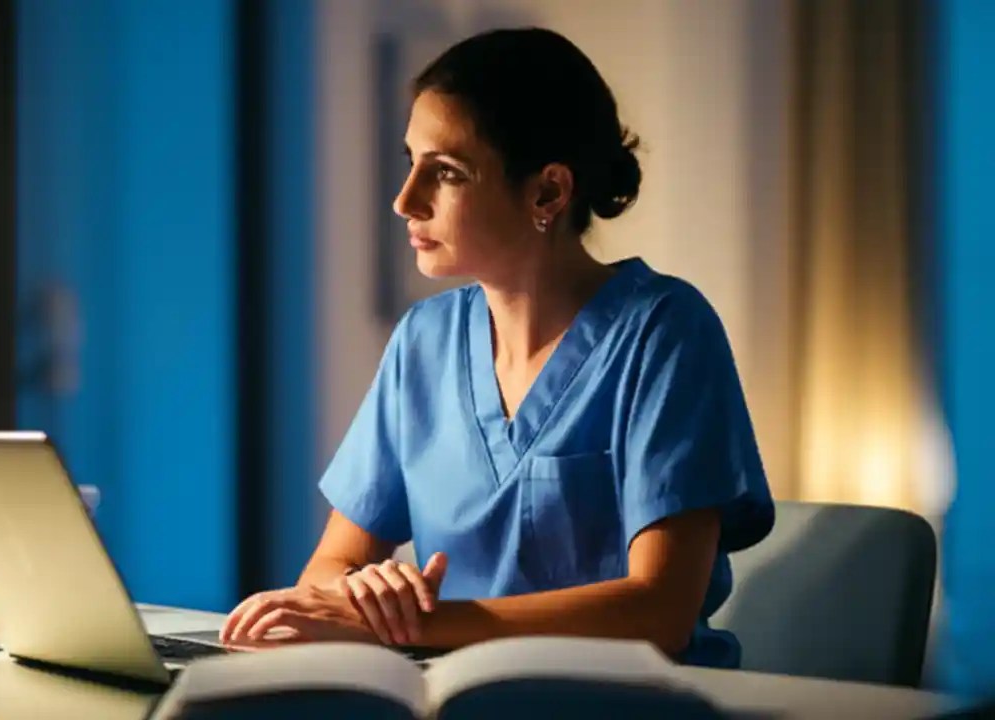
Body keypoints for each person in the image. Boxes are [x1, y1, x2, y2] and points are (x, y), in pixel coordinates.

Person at [219, 26, 774, 668]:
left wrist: (423, 626)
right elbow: (329, 568)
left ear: (547, 193)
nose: (405, 202)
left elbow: (660, 612)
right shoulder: (421, 344)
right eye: (410, 164)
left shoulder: (664, 332)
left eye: (446, 173)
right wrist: (366, 594)